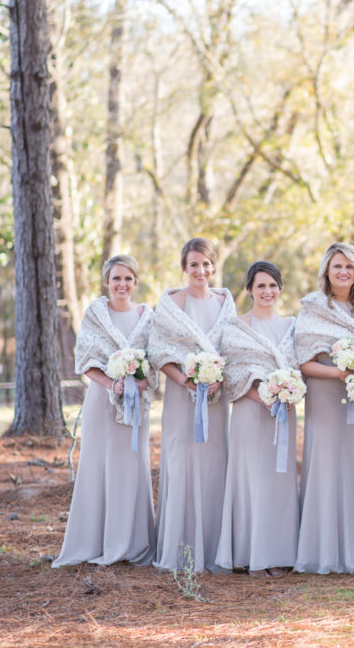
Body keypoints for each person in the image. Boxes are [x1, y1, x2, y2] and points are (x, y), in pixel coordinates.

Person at [54, 255, 156, 567]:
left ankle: (132, 543)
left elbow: (156, 359)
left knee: (130, 465)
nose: (122, 285)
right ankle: (95, 541)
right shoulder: (96, 315)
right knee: (98, 466)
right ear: (107, 282)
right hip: (102, 401)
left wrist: (142, 381)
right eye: (116, 279)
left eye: (128, 279)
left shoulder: (147, 317)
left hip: (136, 404)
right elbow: (85, 361)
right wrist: (113, 384)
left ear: (135, 282)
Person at [148, 238, 236, 573]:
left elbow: (234, 348)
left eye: (206, 264)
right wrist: (186, 379)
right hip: (180, 396)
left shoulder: (225, 303)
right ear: (184, 267)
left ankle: (213, 549)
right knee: (181, 459)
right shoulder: (171, 303)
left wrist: (218, 377)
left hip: (215, 398)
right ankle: (178, 549)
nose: (201, 270)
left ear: (214, 267)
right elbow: (158, 350)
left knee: (212, 464)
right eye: (194, 264)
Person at [293, 242, 354, 574]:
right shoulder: (312, 308)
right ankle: (322, 552)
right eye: (337, 267)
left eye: (349, 267)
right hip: (324, 396)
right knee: (326, 466)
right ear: (327, 272)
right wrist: (338, 372)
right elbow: (303, 362)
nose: (343, 272)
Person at [215, 261, 300, 576]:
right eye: (261, 285)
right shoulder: (237, 326)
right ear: (250, 289)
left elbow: (297, 366)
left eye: (273, 285)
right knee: (252, 478)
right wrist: (261, 395)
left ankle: (279, 553)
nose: (267, 291)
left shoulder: (291, 325)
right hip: (251, 412)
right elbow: (232, 370)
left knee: (279, 479)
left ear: (280, 289)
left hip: (282, 414)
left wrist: (289, 393)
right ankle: (250, 554)